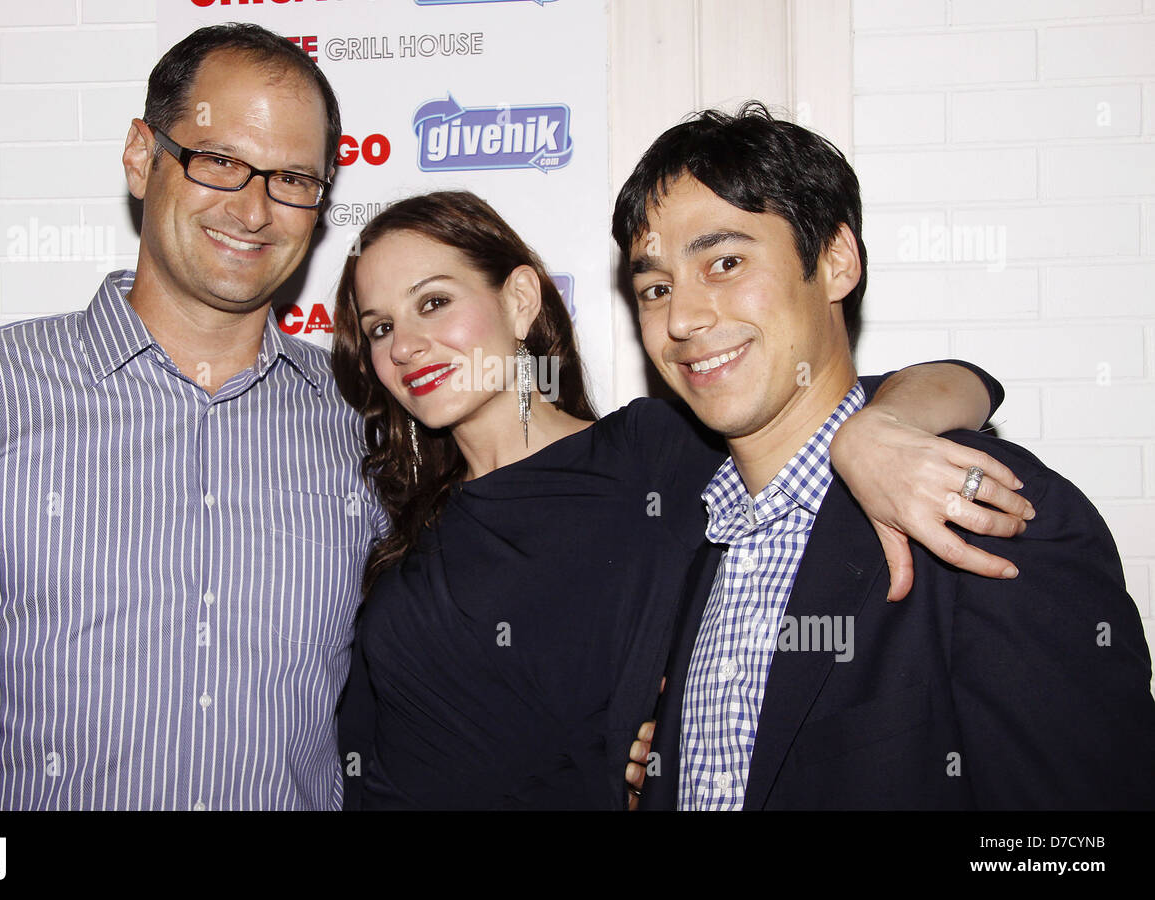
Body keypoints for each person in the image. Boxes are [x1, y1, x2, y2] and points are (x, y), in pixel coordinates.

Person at [330, 190, 1022, 809]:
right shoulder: (400, 523)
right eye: (381, 326)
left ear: (518, 300)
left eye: (433, 302)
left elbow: (947, 384)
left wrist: (878, 432)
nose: (407, 347)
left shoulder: (656, 452)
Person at [0, 23, 384, 810]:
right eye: (220, 161)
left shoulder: (363, 420)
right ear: (143, 156)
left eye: (293, 179)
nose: (253, 208)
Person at [616, 103, 1155, 810]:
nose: (681, 319)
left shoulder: (976, 509)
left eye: (725, 261)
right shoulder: (683, 531)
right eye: (656, 288)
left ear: (836, 262)